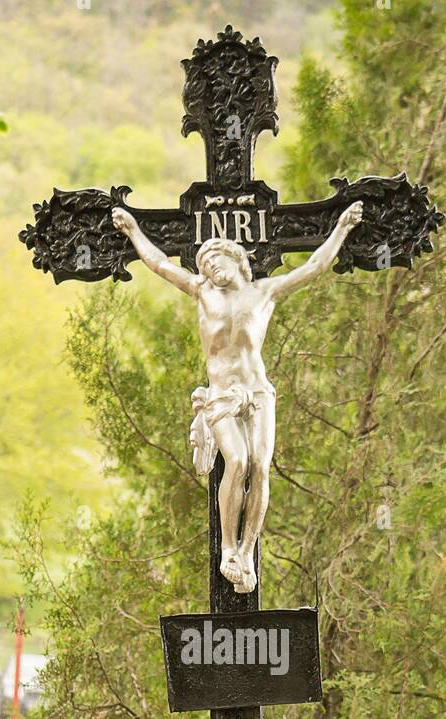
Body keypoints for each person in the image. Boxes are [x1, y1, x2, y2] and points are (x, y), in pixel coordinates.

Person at [111, 201, 363, 593]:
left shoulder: (265, 292)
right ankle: (228, 548)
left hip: (258, 392)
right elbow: (159, 264)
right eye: (205, 264)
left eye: (216, 261)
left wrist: (343, 228)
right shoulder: (201, 293)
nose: (210, 268)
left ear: (237, 259)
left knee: (261, 467)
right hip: (221, 394)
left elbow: (314, 266)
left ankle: (247, 552)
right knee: (239, 461)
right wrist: (132, 231)